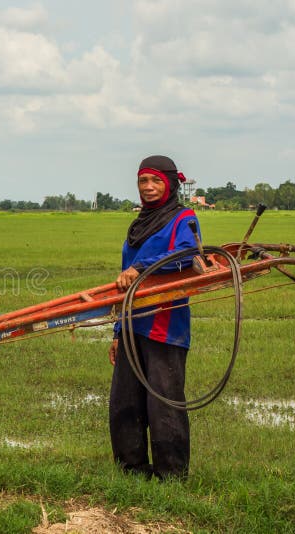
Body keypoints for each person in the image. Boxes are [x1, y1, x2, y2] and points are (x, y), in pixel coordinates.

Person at [108, 155, 199, 480]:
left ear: (170, 184)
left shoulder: (182, 219)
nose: (147, 188)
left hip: (165, 324)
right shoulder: (139, 224)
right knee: (125, 401)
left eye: (155, 181)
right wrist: (118, 331)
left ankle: (171, 475)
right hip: (133, 324)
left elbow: (187, 255)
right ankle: (131, 469)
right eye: (142, 181)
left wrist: (140, 268)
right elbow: (125, 286)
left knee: (164, 403)